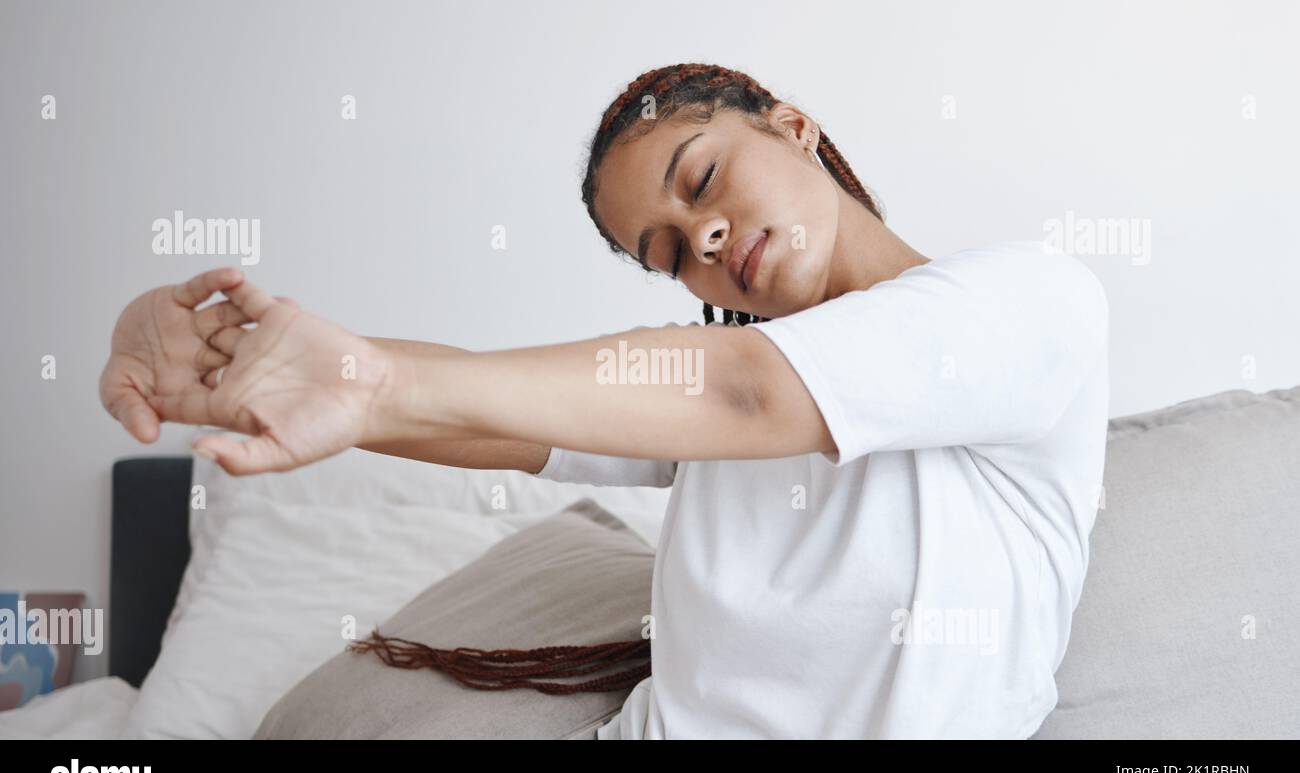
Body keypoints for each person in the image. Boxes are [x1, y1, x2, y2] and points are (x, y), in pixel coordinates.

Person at [99, 63, 1109, 739]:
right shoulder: (698, 397)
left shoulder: (1027, 302)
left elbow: (754, 394)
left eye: (702, 177)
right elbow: (501, 416)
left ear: (794, 127)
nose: (701, 240)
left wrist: (371, 379)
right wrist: (252, 375)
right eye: (666, 253)